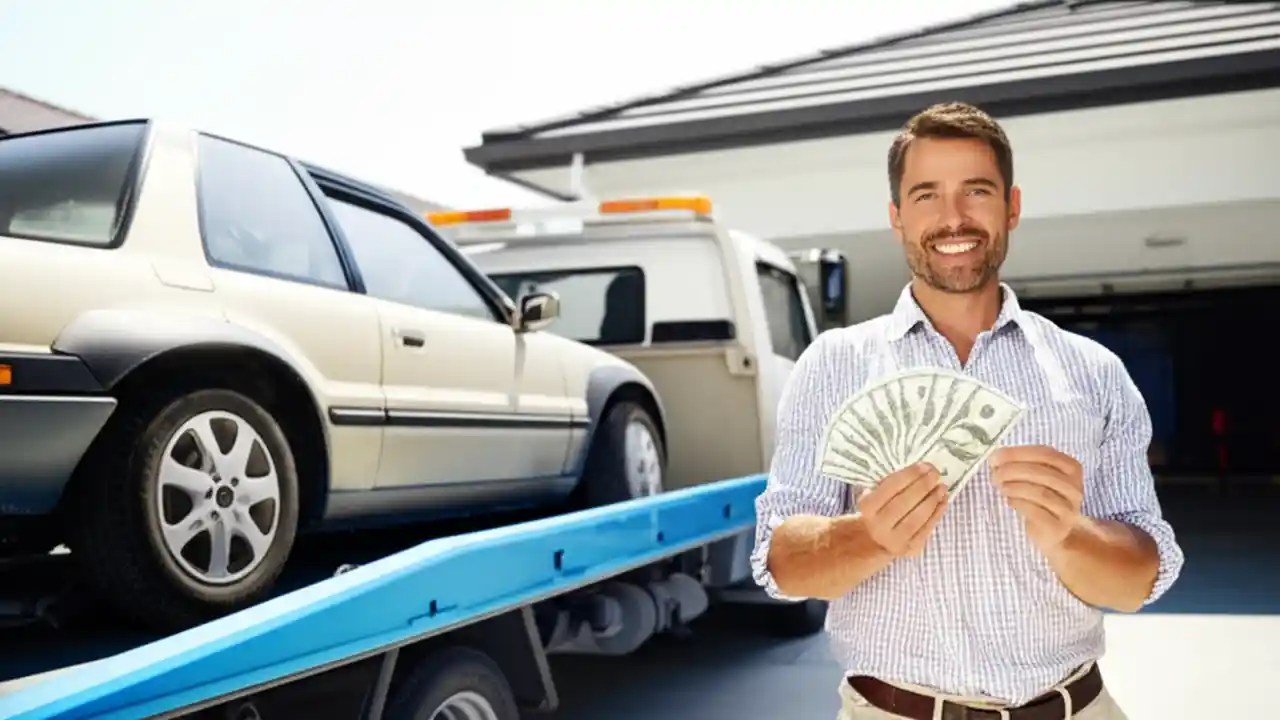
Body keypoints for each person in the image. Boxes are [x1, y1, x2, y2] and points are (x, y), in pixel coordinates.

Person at [750, 101, 1184, 720]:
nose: (953, 218)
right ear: (897, 218)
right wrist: (868, 535)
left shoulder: (1091, 371)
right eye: (926, 195)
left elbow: (1138, 580)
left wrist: (1069, 533)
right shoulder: (833, 364)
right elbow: (781, 565)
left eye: (976, 191)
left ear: (1011, 206)